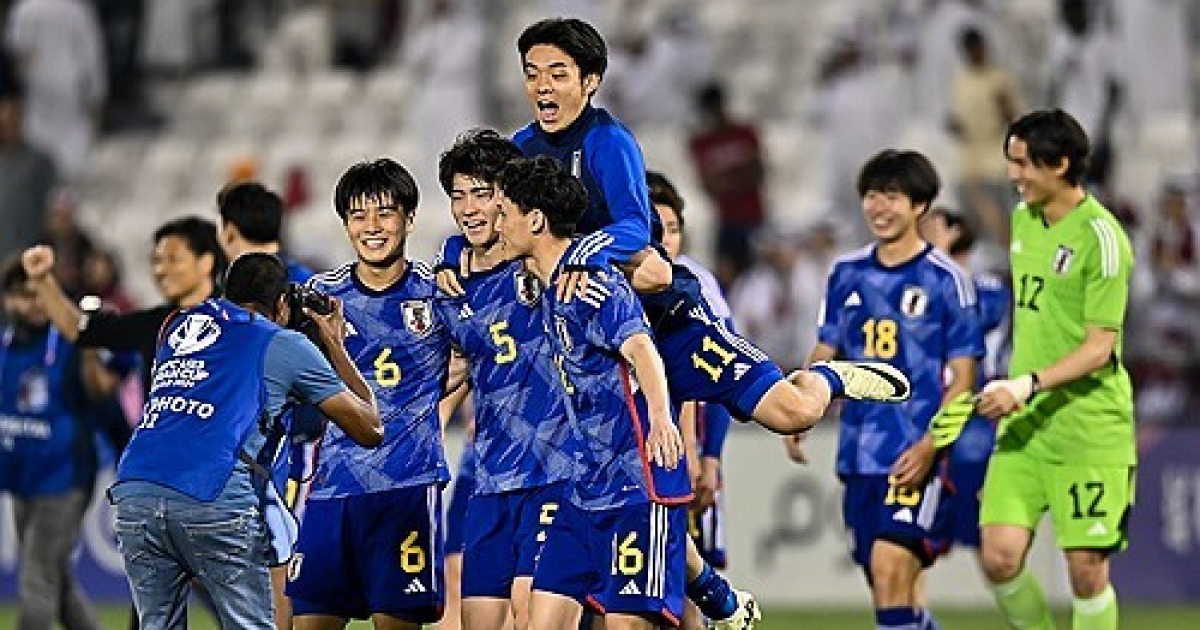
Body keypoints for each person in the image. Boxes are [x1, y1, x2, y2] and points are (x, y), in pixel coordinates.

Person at [94, 252, 383, 629]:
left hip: (135, 490)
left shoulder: (177, 326)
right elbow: (370, 428)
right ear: (281, 305)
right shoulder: (283, 343)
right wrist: (335, 344)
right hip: (213, 493)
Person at [494, 155, 687, 630]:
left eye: (504, 213)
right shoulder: (550, 285)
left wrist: (661, 417)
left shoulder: (592, 285)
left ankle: (716, 597)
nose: (497, 225)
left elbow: (642, 349)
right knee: (541, 622)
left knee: (627, 624)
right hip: (583, 489)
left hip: (635, 486)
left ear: (535, 220)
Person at [806, 149, 983, 630]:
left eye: (892, 196)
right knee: (887, 587)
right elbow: (826, 350)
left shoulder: (948, 281)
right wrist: (798, 406)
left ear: (920, 205)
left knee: (890, 567)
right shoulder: (846, 273)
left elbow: (964, 380)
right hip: (859, 451)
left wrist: (931, 446)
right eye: (870, 195)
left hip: (916, 454)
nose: (878, 207)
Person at [976, 109, 1135, 630]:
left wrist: (1027, 383)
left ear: (1060, 163)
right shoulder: (1024, 220)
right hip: (1026, 424)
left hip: (1088, 428)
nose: (1013, 175)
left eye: (1022, 164)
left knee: (1086, 572)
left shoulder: (1103, 239)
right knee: (998, 557)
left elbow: (1099, 348)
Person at [286, 158, 454, 630]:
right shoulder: (322, 294)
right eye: (359, 215)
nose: (372, 227)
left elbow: (473, 356)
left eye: (385, 212)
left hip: (405, 490)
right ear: (344, 224)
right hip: (331, 491)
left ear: (409, 217)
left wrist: (435, 410)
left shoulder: (436, 292)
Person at [432, 129, 576, 630]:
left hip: (554, 472)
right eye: (458, 196)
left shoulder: (546, 266)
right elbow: (453, 369)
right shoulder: (450, 283)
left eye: (482, 193)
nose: (469, 208)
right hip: (491, 477)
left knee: (532, 614)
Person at [436, 17, 671, 301]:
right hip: (546, 259)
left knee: (655, 273)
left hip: (602, 260)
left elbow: (634, 225)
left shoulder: (609, 141)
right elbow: (491, 213)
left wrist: (582, 254)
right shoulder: (522, 143)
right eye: (532, 74)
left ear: (590, 81)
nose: (542, 86)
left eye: (558, 76)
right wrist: (452, 249)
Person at [0, 257, 127, 630]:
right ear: (7, 301)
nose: (33, 304)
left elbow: (106, 395)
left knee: (36, 577)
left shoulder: (71, 343)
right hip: (23, 477)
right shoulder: (6, 346)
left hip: (65, 476)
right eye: (22, 297)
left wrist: (123, 447)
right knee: (57, 582)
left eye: (38, 294)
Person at [215, 180, 320, 630]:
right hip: (293, 448)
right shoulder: (310, 284)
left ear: (227, 231)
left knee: (274, 571)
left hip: (278, 453)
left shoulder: (241, 297)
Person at [920, 208, 1011, 560]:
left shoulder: (987, 288)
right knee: (910, 542)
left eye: (932, 226)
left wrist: (939, 261)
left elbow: (967, 320)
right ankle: (909, 615)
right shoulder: (917, 286)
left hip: (974, 422)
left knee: (992, 548)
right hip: (926, 420)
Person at [4, 0, 107, 179]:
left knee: (36, 130)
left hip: (35, 80)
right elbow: (92, 53)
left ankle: (40, 177)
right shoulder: (78, 10)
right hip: (69, 80)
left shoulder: (24, 9)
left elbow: (15, 51)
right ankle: (64, 180)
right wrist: (97, 92)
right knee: (70, 133)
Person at [686, 81, 768, 285]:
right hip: (726, 221)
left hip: (754, 217)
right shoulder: (700, 143)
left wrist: (727, 181)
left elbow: (758, 173)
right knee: (726, 279)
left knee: (758, 279)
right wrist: (739, 177)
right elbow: (709, 187)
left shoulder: (744, 132)